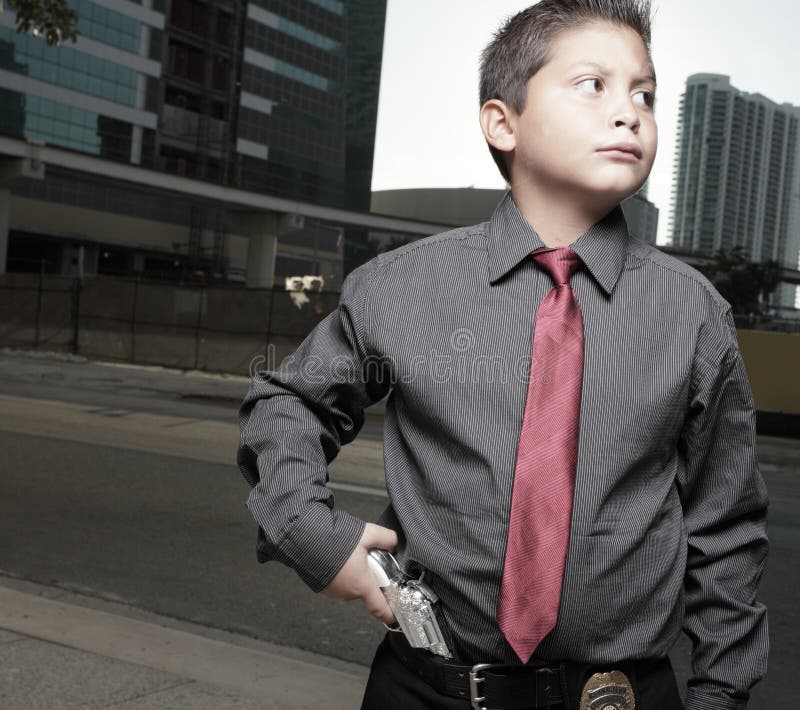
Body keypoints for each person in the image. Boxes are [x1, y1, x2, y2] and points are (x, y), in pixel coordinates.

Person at [237, 1, 769, 708]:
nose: (629, 112)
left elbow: (725, 522)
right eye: (593, 85)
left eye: (645, 93)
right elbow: (289, 401)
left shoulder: (693, 314)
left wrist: (720, 695)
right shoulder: (400, 286)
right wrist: (310, 532)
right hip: (424, 691)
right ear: (502, 122)